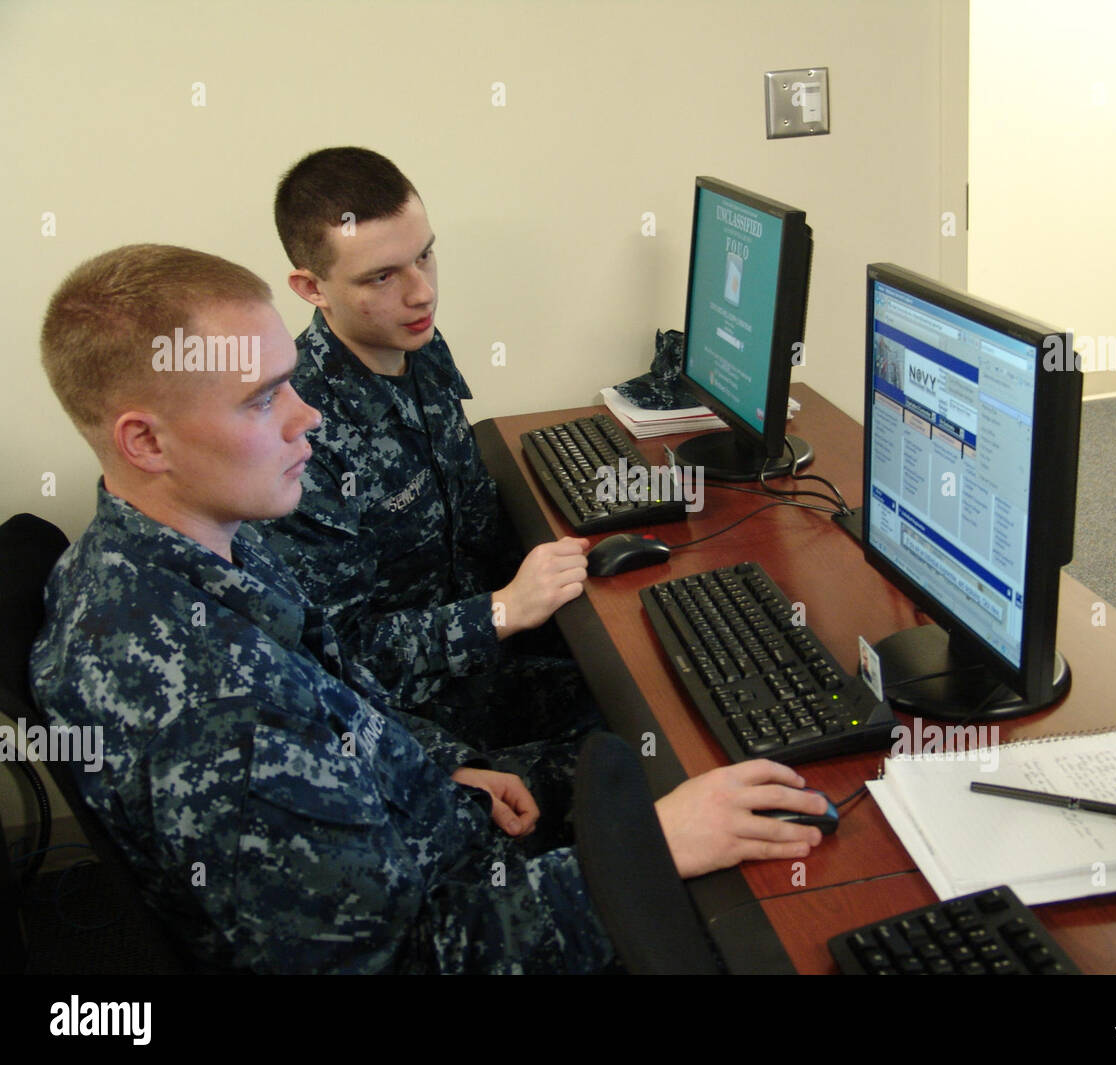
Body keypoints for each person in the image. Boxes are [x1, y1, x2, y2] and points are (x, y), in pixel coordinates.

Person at [30, 244, 830, 974]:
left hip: (432, 820)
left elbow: (337, 692)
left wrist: (435, 765)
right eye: (262, 398)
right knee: (789, 909)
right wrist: (650, 851)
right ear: (146, 443)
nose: (305, 416)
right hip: (459, 922)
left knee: (689, 744)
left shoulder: (166, 545)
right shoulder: (217, 711)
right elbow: (407, 960)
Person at [256, 148, 589, 758]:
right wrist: (501, 611)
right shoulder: (299, 437)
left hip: (490, 645)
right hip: (415, 719)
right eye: (382, 276)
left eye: (425, 256)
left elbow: (469, 524)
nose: (421, 293)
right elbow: (338, 656)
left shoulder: (417, 346)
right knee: (644, 737)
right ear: (312, 288)